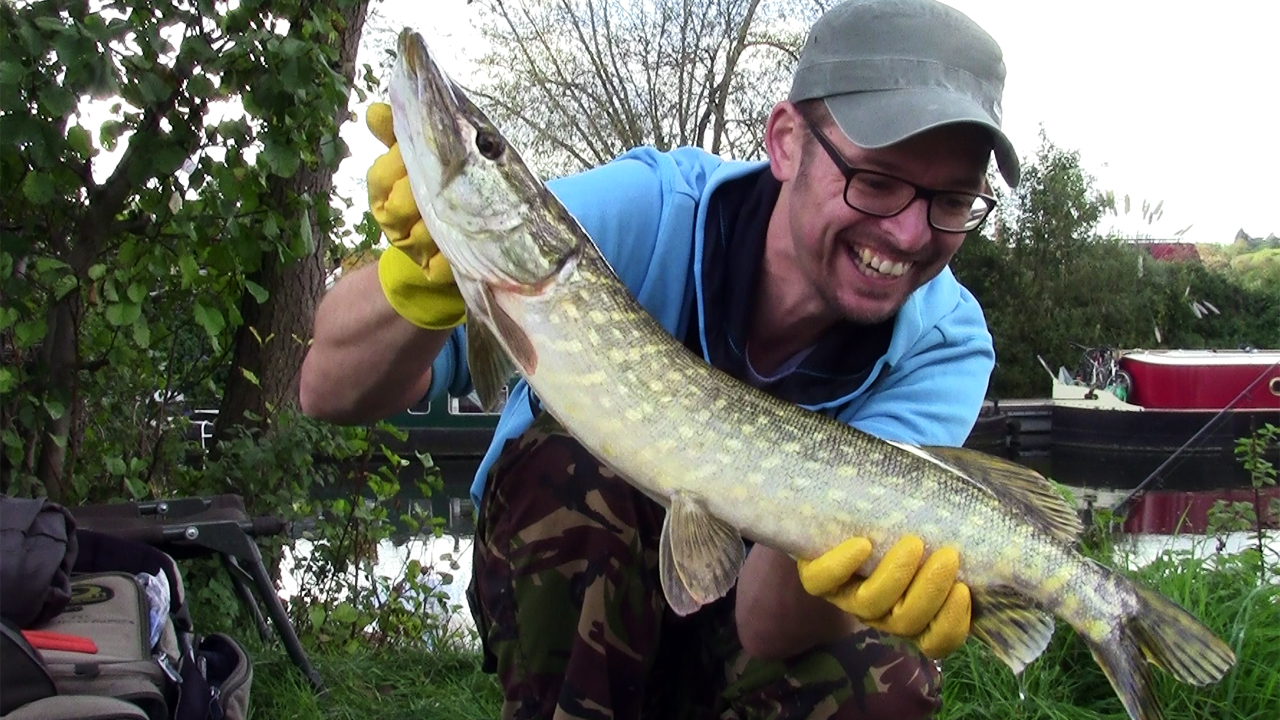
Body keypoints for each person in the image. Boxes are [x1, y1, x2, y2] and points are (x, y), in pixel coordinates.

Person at [300, 0, 1020, 717]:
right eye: (876, 181)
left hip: (749, 633)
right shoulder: (644, 209)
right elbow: (327, 391)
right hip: (579, 578)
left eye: (951, 201)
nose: (905, 233)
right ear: (786, 141)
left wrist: (854, 585)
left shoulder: (944, 343)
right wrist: (416, 289)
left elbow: (766, 623)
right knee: (569, 475)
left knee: (883, 674)